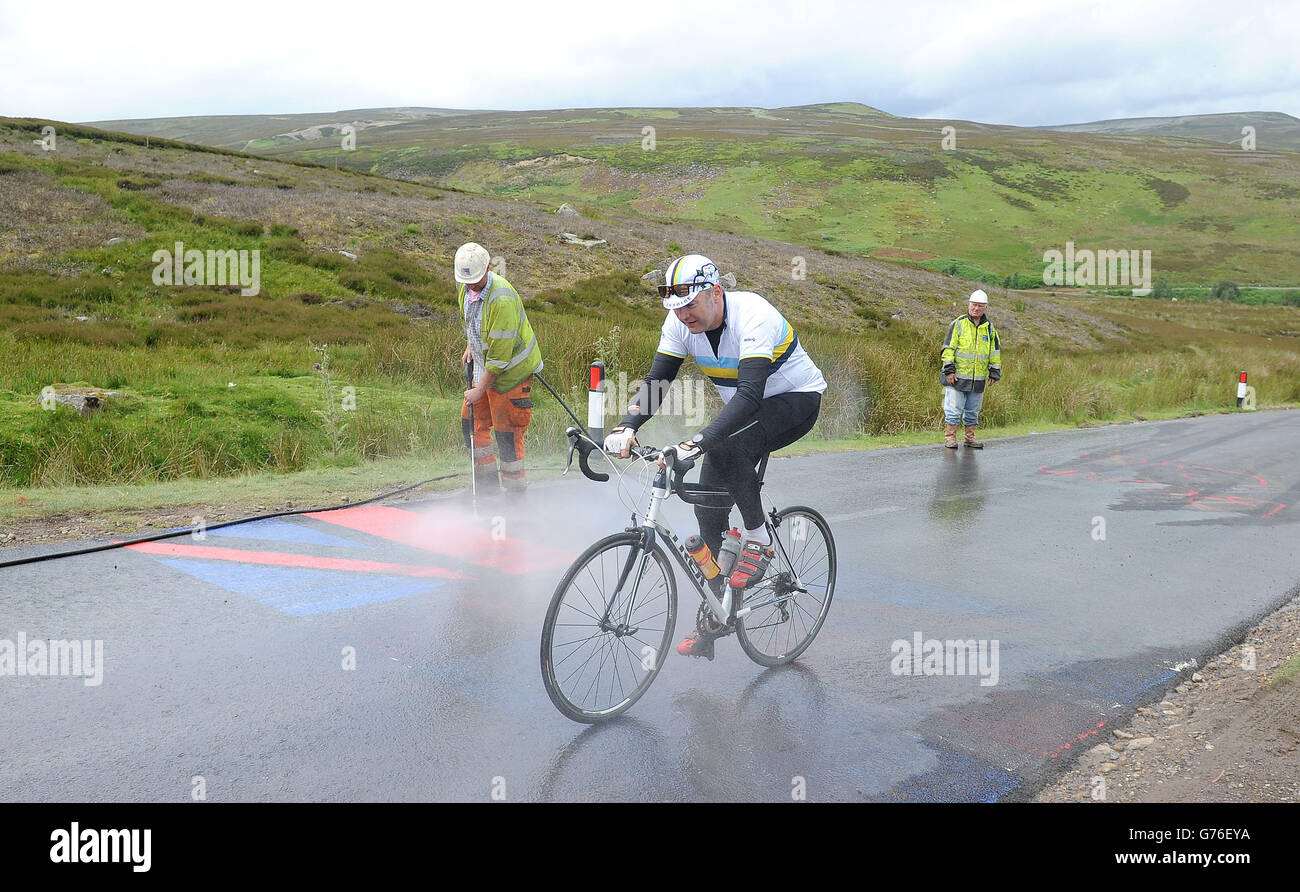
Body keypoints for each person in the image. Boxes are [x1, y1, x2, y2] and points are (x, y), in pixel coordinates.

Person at [603, 254, 826, 659]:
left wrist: (698, 441)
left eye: (690, 305)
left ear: (716, 293)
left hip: (795, 401)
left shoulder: (753, 314)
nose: (682, 315)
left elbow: (749, 394)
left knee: (726, 445)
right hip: (746, 411)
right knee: (707, 501)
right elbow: (657, 381)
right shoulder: (679, 322)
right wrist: (627, 425)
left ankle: (759, 538)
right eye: (675, 307)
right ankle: (718, 608)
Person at [455, 242, 543, 496]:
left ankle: (515, 496)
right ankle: (487, 489)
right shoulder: (465, 287)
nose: (471, 285)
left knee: (507, 435)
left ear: (487, 270)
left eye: (475, 279)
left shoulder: (501, 298)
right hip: (484, 369)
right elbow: (471, 320)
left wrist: (479, 390)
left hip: (510, 375)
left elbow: (500, 358)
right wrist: (471, 345)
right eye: (466, 280)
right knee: (471, 426)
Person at [940, 289, 1001, 449]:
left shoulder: (990, 328)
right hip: (956, 378)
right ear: (969, 305)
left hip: (978, 379)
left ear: (985, 307)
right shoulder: (958, 324)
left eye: (980, 306)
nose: (976, 308)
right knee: (953, 410)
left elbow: (994, 352)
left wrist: (994, 372)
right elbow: (948, 349)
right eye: (974, 305)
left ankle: (969, 438)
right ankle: (950, 439)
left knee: (973, 411)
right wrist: (949, 370)